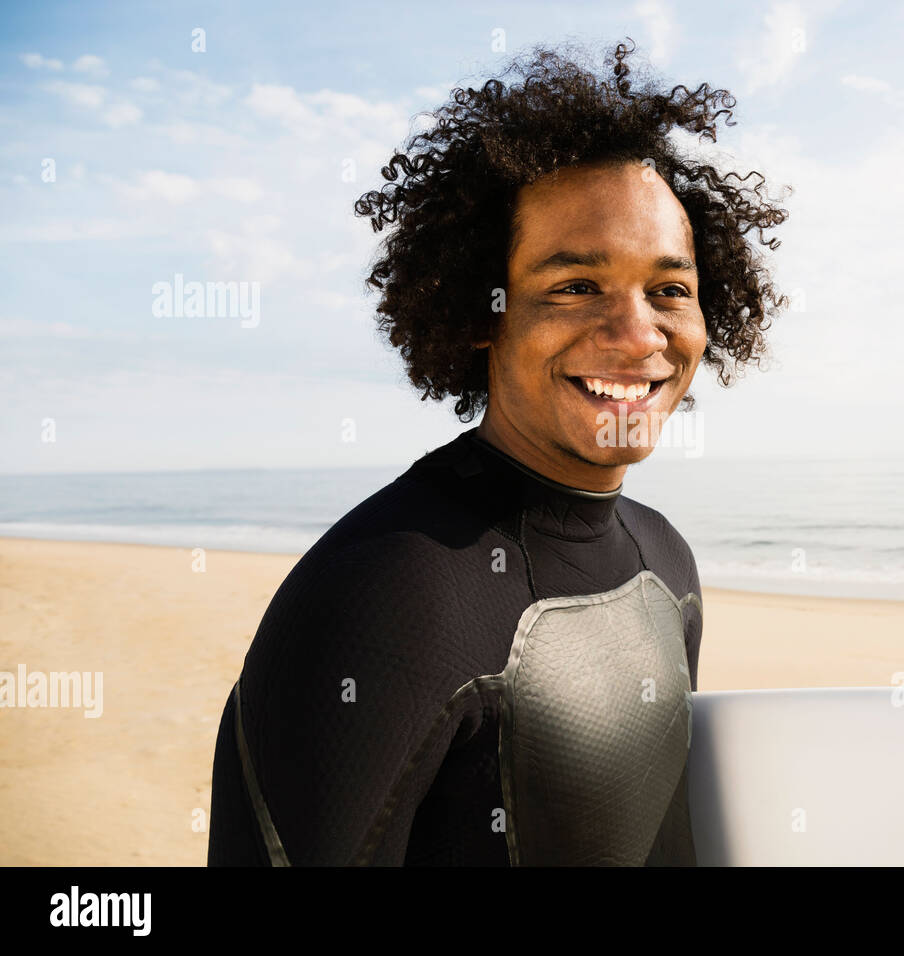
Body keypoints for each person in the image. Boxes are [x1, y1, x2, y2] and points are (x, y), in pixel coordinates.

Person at [206, 38, 788, 866]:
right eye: (575, 286)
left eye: (669, 290)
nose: (637, 335)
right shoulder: (386, 593)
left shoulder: (669, 562)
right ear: (484, 312)